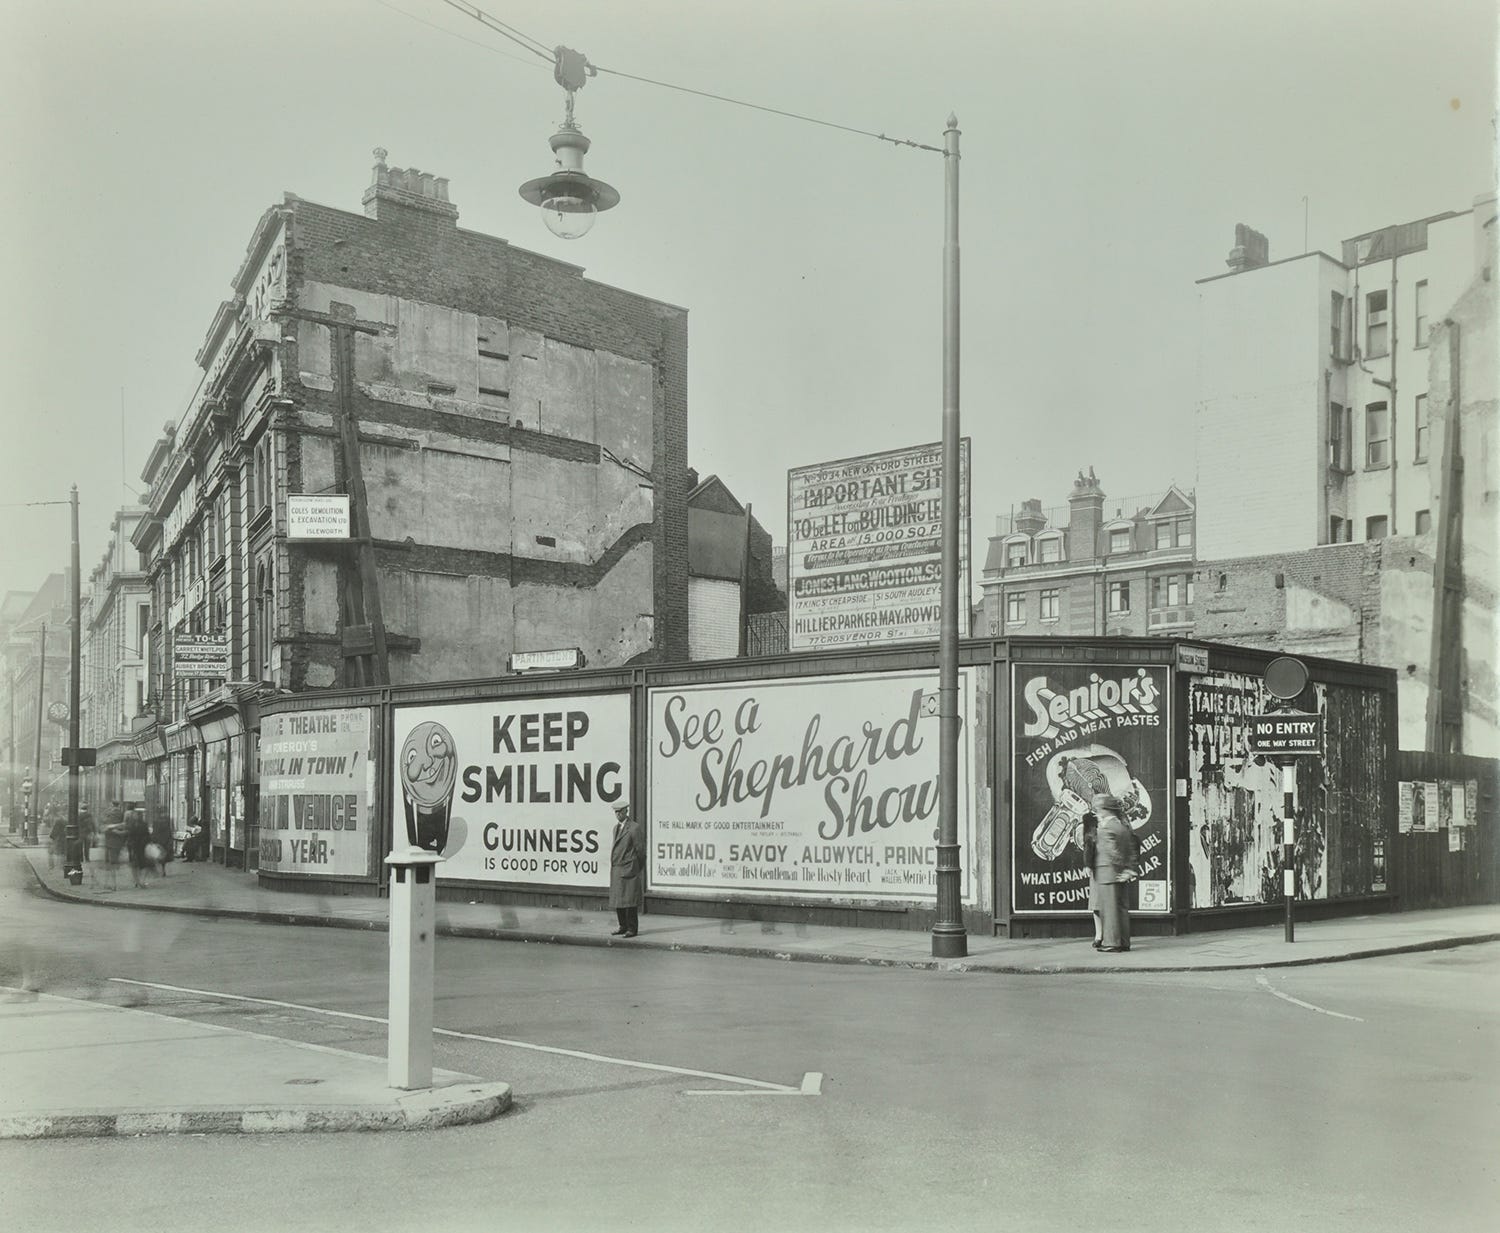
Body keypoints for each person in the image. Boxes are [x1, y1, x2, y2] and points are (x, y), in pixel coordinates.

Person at [1091, 793, 1139, 953]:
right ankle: (1124, 942)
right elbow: (1132, 848)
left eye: (1099, 808)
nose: (1097, 811)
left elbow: (1112, 852)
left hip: (1108, 872)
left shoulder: (1106, 828)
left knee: (1109, 909)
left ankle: (1112, 942)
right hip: (1120, 873)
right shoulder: (1122, 826)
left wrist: (1121, 868)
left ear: (1107, 809)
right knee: (1121, 908)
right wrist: (1129, 869)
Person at [608, 801, 644, 938]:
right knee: (619, 900)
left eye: (620, 811)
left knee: (629, 901)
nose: (618, 814)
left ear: (626, 811)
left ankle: (632, 928)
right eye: (616, 812)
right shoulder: (616, 828)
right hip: (617, 869)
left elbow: (640, 850)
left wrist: (636, 867)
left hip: (629, 869)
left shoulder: (634, 828)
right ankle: (622, 926)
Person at [1079, 810, 1103, 949]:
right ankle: (1105, 934)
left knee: (1096, 906)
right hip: (1106, 870)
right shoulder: (1106, 826)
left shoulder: (1089, 831)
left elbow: (1088, 848)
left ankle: (1099, 935)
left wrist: (1088, 865)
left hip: (1097, 871)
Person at [125, 806, 151, 887]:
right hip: (142, 848)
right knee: (143, 865)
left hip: (133, 848)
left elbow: (128, 835)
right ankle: (142, 881)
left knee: (134, 866)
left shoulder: (131, 825)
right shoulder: (144, 825)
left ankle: (136, 881)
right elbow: (147, 836)